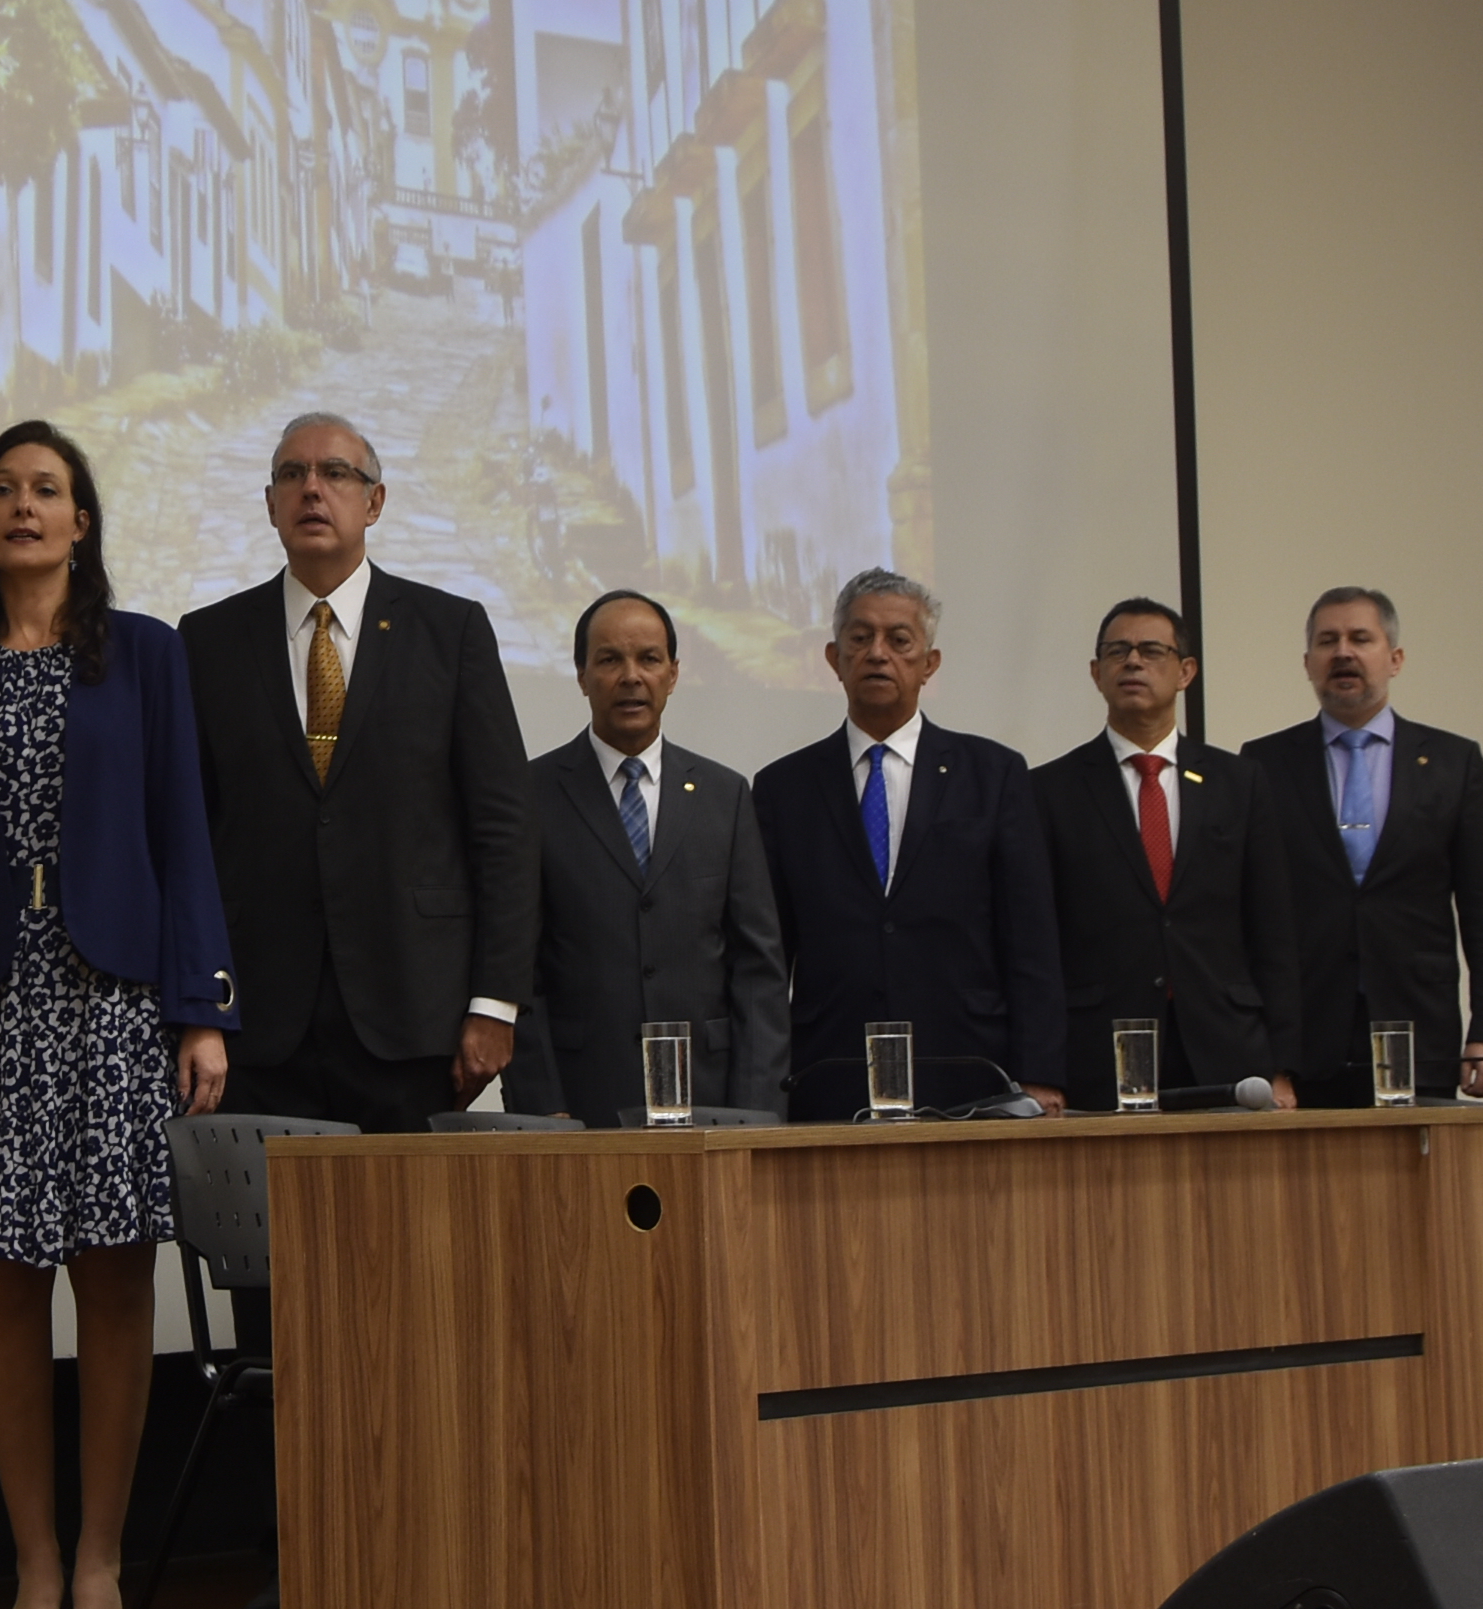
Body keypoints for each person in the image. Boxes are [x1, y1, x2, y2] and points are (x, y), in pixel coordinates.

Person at [0, 421, 234, 1609]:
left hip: (112, 1004)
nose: (24, 506)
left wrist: (201, 1007)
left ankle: (99, 1560)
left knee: (116, 1278)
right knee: (3, 1284)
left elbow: (182, 836)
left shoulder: (142, 659)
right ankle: (32, 1563)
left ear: (82, 523)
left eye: (49, 489)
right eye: (3, 490)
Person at [177, 411, 535, 1132]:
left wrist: (493, 1005)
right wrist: (193, 1007)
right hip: (257, 1023)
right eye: (292, 474)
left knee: (408, 1244)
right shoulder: (207, 640)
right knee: (271, 1245)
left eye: (336, 473)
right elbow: (186, 839)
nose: (313, 489)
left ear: (374, 502)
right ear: (271, 503)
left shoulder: (451, 630)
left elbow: (504, 827)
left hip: (413, 1018)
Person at [751, 568, 1064, 1118]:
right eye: (860, 637)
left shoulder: (993, 774)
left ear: (929, 664)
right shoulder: (784, 787)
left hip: (972, 1071)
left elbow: (1030, 938)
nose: (878, 653)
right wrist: (764, 1083)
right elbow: (770, 956)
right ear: (834, 657)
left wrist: (1038, 1073)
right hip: (829, 1073)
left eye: (899, 641)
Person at [505, 590, 790, 1125]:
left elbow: (759, 973)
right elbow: (518, 970)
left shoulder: (723, 796)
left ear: (674, 674)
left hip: (711, 1101)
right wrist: (544, 1108)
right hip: (581, 1101)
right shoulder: (531, 794)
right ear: (582, 675)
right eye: (609, 659)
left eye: (649, 659)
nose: (631, 676)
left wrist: (756, 1113)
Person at [1245, 586, 1483, 1105]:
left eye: (1360, 638)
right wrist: (1266, 1054)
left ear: (1394, 659)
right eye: (1328, 641)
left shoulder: (1451, 762)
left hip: (1421, 1032)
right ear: (1308, 663)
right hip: (1306, 1041)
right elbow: (1249, 915)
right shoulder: (1263, 764)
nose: (1343, 652)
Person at [1030, 599, 1297, 1112]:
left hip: (1227, 1047)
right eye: (1117, 652)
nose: (1133, 662)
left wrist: (1281, 1066)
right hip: (1100, 1051)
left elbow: (1274, 932)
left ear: (1185, 671)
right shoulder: (1048, 790)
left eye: (1152, 651)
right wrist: (1041, 1066)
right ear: (1096, 673)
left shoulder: (1239, 782)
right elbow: (1038, 941)